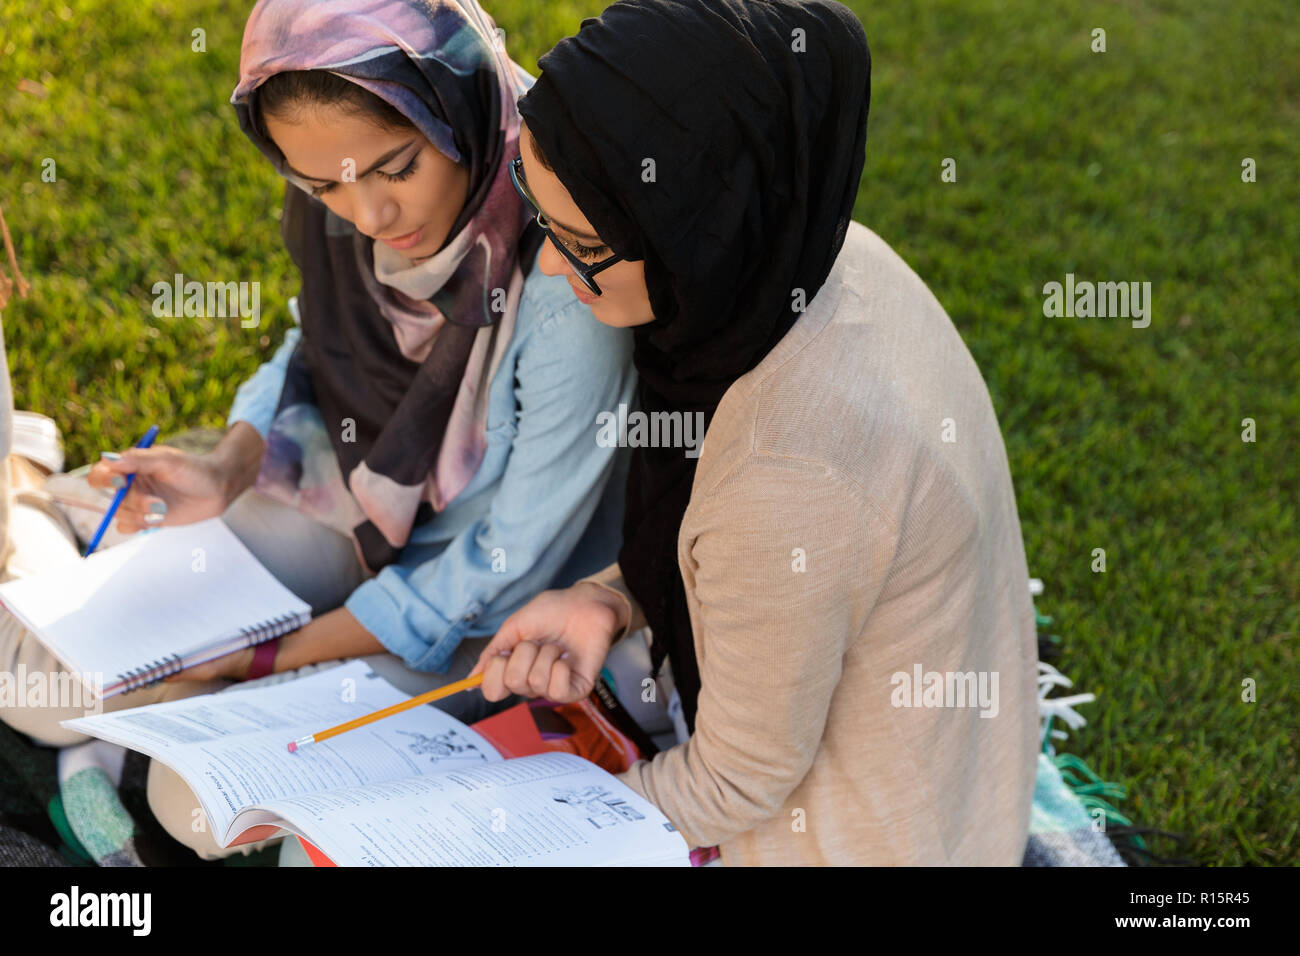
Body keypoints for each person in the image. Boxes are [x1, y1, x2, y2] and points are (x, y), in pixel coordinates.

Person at [0, 0, 636, 860]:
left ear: (452, 100)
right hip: (351, 494)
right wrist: (232, 460)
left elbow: (503, 561)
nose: (368, 216)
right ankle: (31, 507)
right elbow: (316, 342)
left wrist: (267, 662)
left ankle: (72, 604)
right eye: (324, 185)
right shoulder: (351, 199)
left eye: (394, 167)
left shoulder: (564, 275)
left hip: (487, 604)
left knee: (196, 802)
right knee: (29, 680)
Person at [473, 0, 1039, 865]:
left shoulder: (786, 473)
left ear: (688, 231)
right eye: (538, 212)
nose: (551, 263)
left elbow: (737, 783)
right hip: (953, 773)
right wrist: (613, 597)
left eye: (581, 242)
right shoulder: (815, 258)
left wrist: (525, 838)